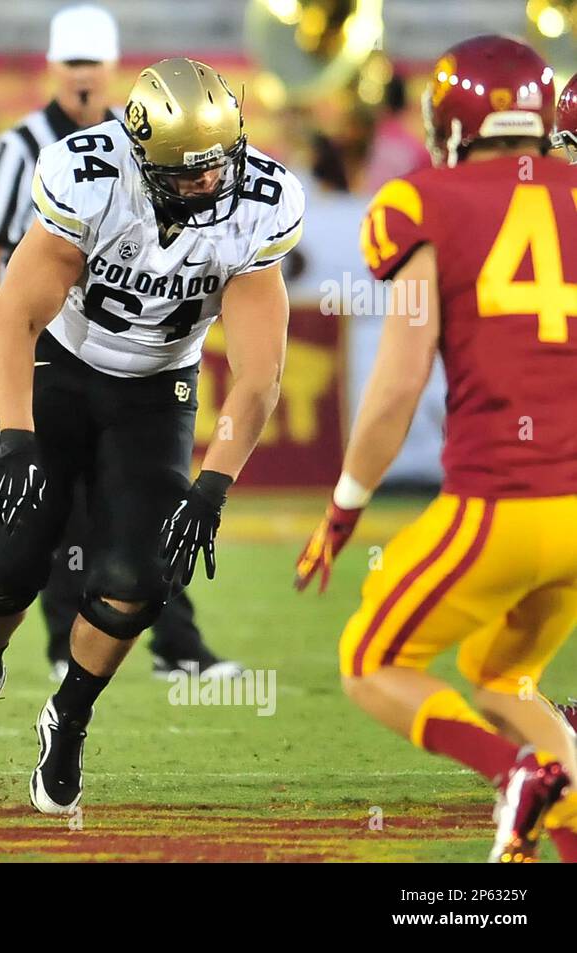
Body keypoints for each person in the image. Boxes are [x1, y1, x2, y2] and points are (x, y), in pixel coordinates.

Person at [0, 58, 303, 814]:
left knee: (139, 579)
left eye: (221, 163)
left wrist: (214, 482)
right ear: (143, 154)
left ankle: (71, 714)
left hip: (159, 388)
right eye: (189, 172)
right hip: (63, 363)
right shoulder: (89, 176)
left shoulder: (261, 200)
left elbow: (260, 372)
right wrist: (18, 434)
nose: (210, 184)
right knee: (1, 559)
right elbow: (16, 318)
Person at [295, 36, 577, 863]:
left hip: (501, 503)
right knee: (502, 679)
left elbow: (399, 380)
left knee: (369, 658)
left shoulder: (425, 200)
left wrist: (346, 505)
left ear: (455, 118)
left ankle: (514, 774)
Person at [0, 3, 239, 682]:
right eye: (74, 64)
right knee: (45, 501)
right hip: (46, 345)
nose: (85, 77)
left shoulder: (153, 145)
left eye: (95, 64)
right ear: (53, 68)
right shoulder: (20, 145)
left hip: (140, 354)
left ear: (113, 69)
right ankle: (66, 644)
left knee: (146, 503)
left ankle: (174, 642)